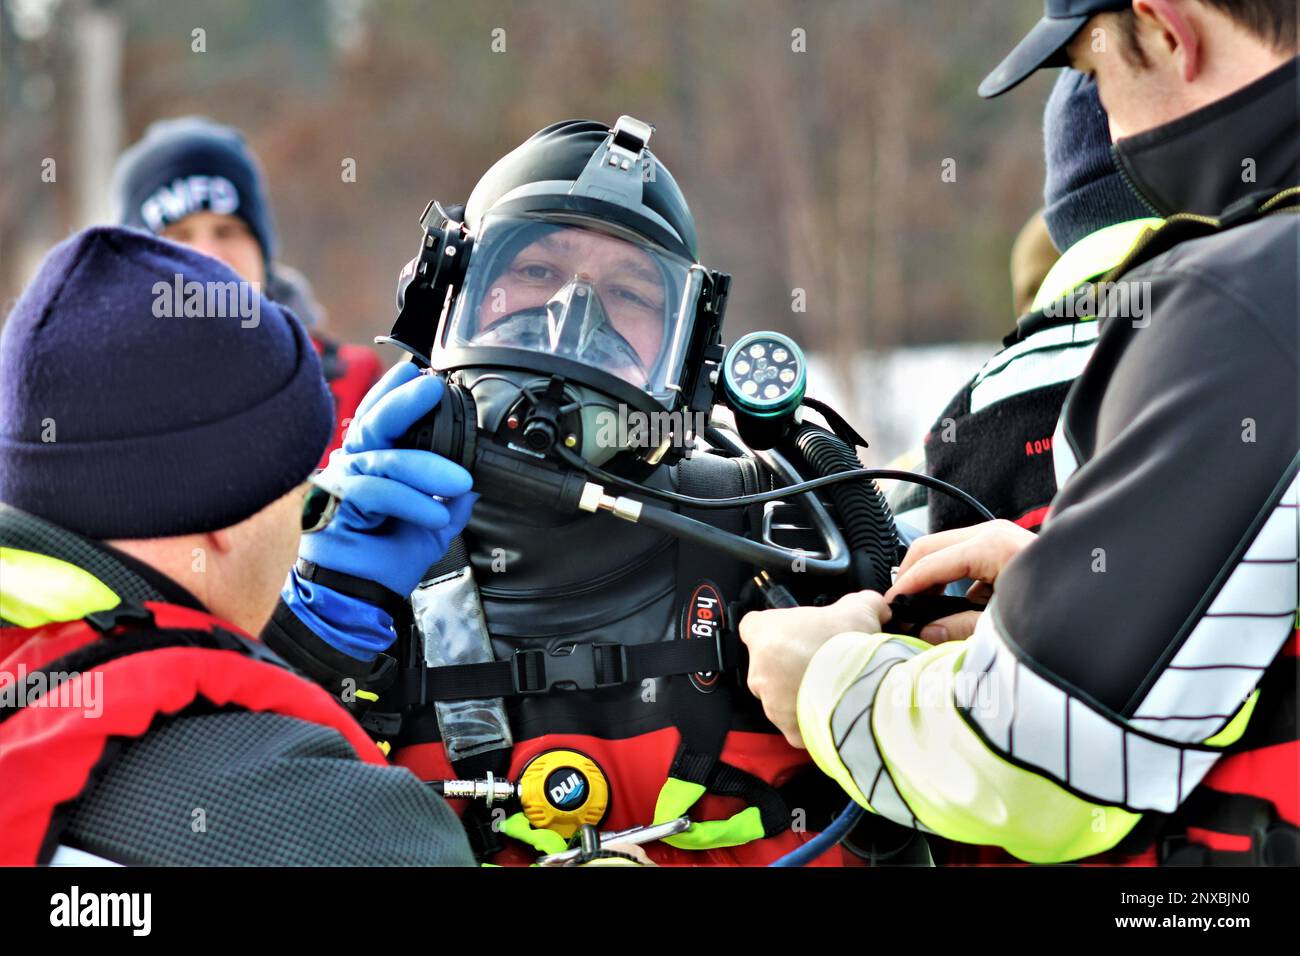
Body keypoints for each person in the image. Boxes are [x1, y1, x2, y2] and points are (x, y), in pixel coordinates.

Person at [741, 0, 1297, 865]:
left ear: (1167, 29)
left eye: (1094, 74)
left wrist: (823, 677)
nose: (1105, 120)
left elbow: (1051, 760)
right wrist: (1072, 584)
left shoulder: (1247, 292)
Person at [265, 117, 887, 866]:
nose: (572, 318)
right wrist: (310, 648)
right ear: (444, 299)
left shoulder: (778, 550)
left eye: (629, 293)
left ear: (688, 359)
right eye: (533, 272)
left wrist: (861, 686)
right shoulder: (335, 553)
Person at [0, 227, 476, 865]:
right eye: (304, 490)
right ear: (222, 513)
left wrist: (315, 641)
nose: (314, 517)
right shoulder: (357, 832)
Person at [111, 116, 382, 465]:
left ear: (263, 253)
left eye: (227, 230)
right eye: (179, 235)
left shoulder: (352, 385)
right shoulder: (98, 400)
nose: (209, 254)